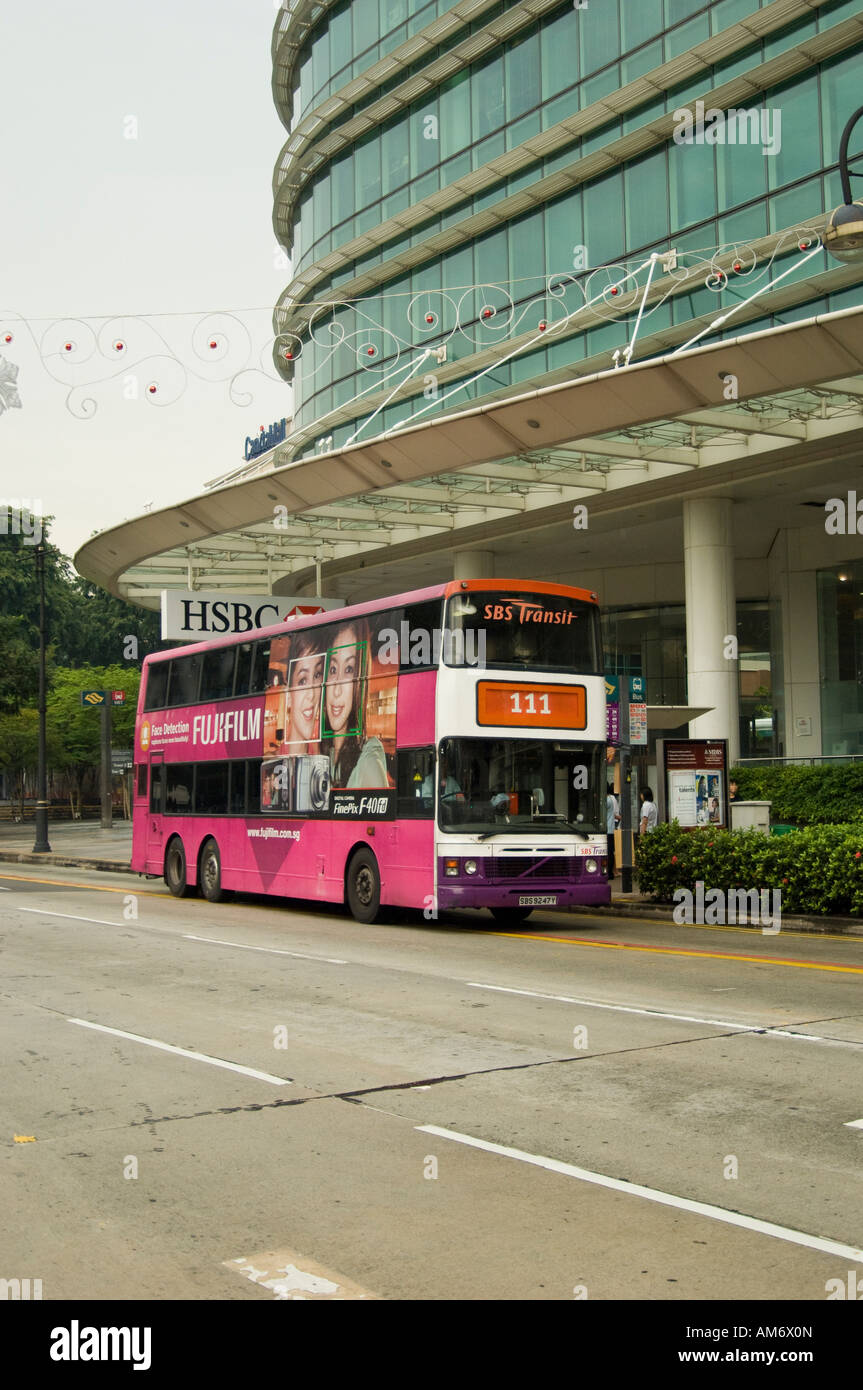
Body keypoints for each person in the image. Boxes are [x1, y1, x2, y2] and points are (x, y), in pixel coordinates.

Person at [323, 619, 389, 788]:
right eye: (332, 669)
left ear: (360, 681)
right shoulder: (320, 754)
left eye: (349, 670)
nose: (336, 689)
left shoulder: (368, 759)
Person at [283, 631, 326, 753]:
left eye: (317, 675)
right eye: (302, 681)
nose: (312, 694)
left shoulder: (321, 758)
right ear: (289, 696)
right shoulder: (273, 763)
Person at [606, 785, 620, 877]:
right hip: (610, 828)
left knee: (609, 852)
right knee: (611, 851)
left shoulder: (607, 800)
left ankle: (610, 872)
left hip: (607, 828)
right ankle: (611, 872)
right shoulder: (611, 799)